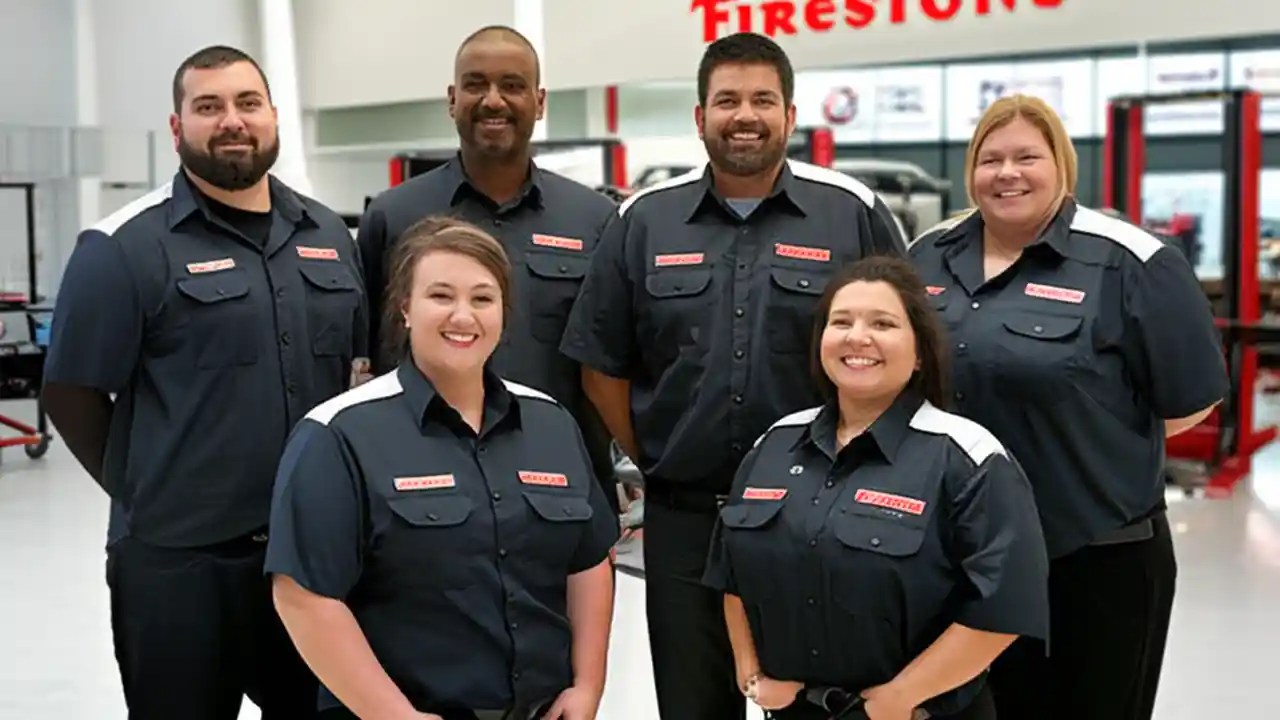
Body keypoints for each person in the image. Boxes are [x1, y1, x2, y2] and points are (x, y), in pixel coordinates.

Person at [559, 31, 907, 720]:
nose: (744, 115)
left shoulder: (851, 213)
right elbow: (602, 365)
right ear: (700, 117)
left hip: (821, 517)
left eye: (762, 100)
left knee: (822, 705)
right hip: (686, 521)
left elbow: (904, 349)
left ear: (790, 114)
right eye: (727, 101)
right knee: (691, 705)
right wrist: (658, 457)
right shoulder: (644, 220)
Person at [41, 45, 367, 718]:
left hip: (311, 556)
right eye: (208, 106)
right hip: (178, 570)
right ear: (177, 126)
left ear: (273, 116)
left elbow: (356, 378)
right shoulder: (121, 247)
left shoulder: (329, 235)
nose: (232, 121)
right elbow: (70, 393)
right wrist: (148, 490)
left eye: (247, 103)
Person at [909, 94, 1228, 720]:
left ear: (1061, 164)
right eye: (990, 159)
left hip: (1093, 556)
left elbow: (1191, 399)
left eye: (1027, 157)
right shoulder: (926, 256)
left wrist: (1094, 441)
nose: (1007, 173)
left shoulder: (1132, 262)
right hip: (958, 556)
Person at [265, 216, 619, 720]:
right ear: (404, 308)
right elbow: (302, 596)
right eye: (440, 296)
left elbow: (588, 562)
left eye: (482, 298)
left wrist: (588, 685)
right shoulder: (337, 433)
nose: (463, 316)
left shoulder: (552, 423)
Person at [703, 256, 1049, 720]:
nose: (857, 337)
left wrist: (898, 698)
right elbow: (732, 576)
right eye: (841, 322)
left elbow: (1004, 608)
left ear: (920, 351)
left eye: (883, 323)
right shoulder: (774, 445)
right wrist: (752, 675)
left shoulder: (968, 456)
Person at [355, 24, 620, 514]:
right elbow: (371, 354)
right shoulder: (393, 217)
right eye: (476, 84)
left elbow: (610, 362)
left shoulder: (595, 220)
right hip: (421, 489)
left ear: (539, 102)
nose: (493, 100)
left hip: (560, 485)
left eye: (512, 85)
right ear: (452, 99)